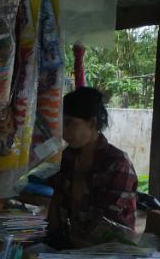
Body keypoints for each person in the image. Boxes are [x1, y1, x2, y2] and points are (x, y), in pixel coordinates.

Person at [47, 86, 138, 248]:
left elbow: (107, 223)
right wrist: (51, 241)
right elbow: (56, 200)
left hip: (108, 252)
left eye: (69, 123)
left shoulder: (117, 164)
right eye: (61, 123)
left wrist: (69, 248)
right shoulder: (67, 157)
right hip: (72, 250)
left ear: (92, 123)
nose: (63, 132)